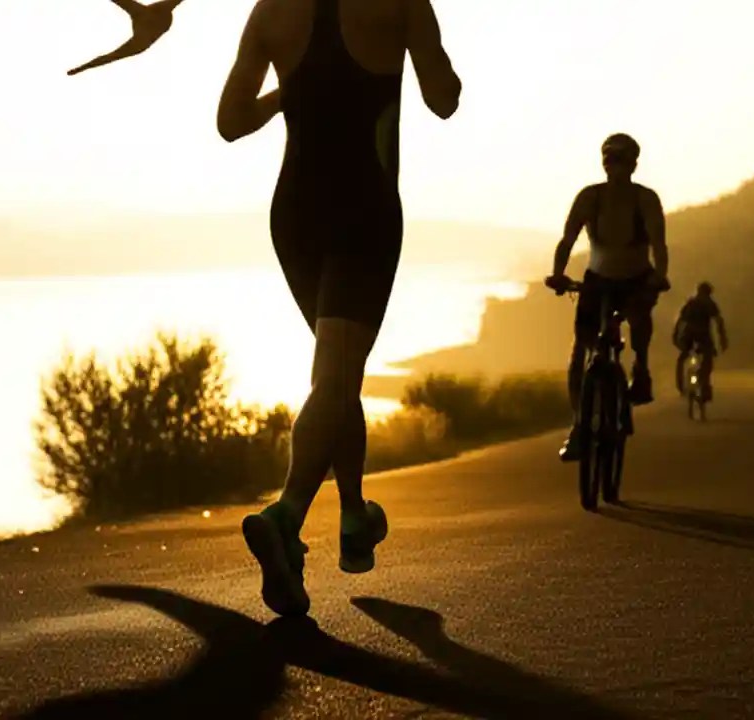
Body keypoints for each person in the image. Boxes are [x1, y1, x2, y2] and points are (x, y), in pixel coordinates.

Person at [217, 0, 460, 617]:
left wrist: (291, 92)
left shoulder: (270, 11)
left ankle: (353, 515)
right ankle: (286, 516)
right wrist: (425, 49)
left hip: (294, 214)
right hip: (364, 209)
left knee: (337, 374)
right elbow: (443, 98)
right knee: (337, 376)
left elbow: (231, 120)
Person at [545, 133, 669, 462]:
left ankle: (640, 368)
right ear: (604, 163)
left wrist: (659, 276)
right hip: (597, 279)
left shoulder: (646, 199)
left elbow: (659, 243)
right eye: (610, 159)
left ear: (633, 164)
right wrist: (558, 274)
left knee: (640, 321)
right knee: (580, 351)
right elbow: (567, 239)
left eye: (621, 159)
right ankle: (578, 426)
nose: (614, 166)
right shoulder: (590, 198)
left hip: (637, 278)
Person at [67, 0, 185, 76]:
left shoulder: (140, 42)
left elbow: (110, 57)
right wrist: (81, 68)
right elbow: (109, 58)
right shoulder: (141, 38)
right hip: (151, 19)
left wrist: (81, 68)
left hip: (152, 20)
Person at [672, 281, 728, 400]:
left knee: (681, 360)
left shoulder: (691, 303)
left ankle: (681, 386)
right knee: (707, 359)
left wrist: (676, 336)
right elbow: (719, 322)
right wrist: (723, 340)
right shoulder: (709, 303)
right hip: (703, 336)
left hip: (688, 336)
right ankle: (704, 383)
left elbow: (680, 321)